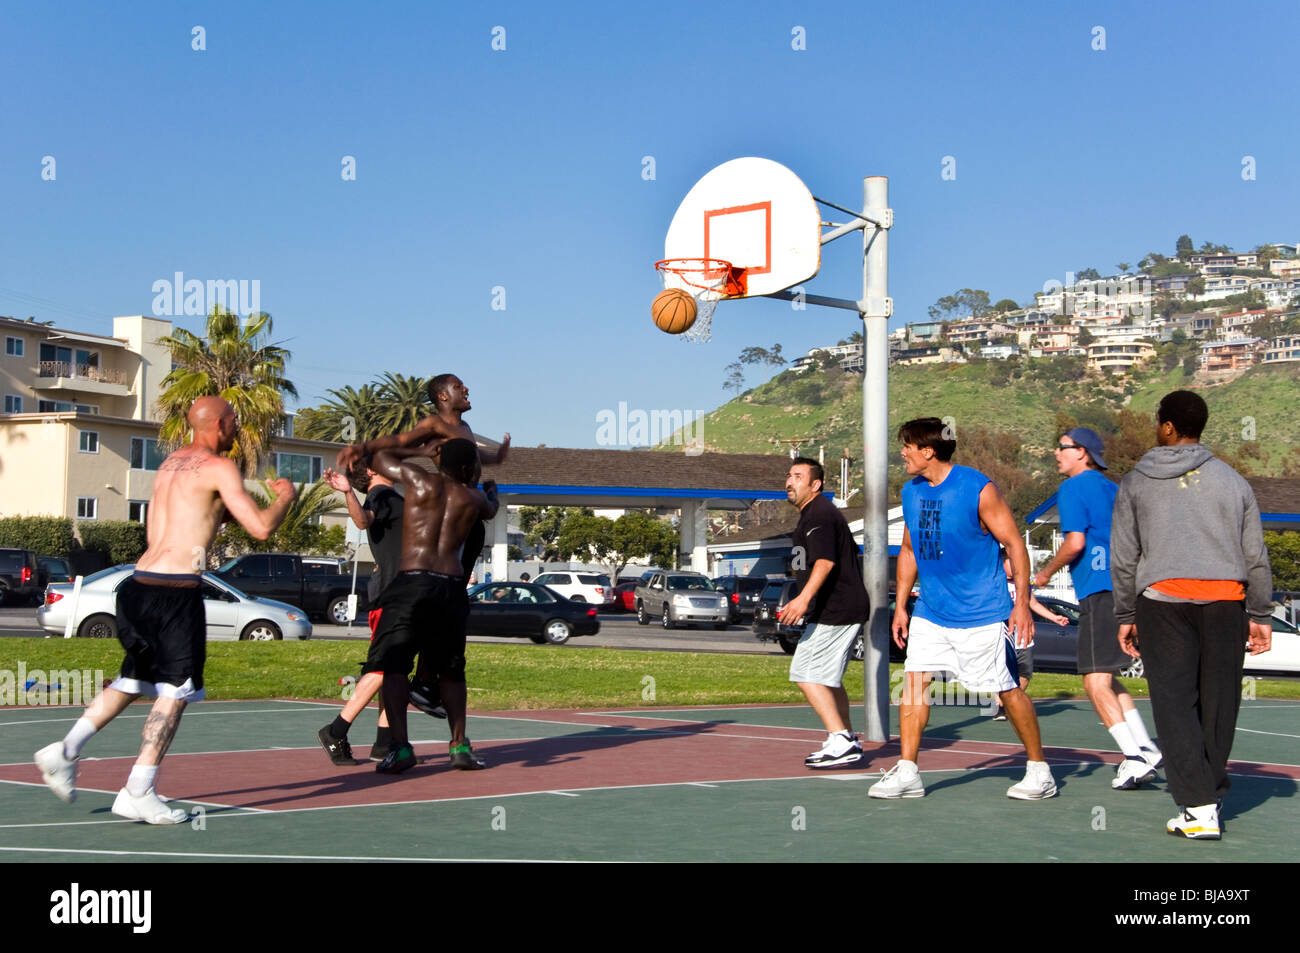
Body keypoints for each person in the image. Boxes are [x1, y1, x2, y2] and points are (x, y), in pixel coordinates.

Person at [34, 397, 295, 823]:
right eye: (234, 420)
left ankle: (65, 750)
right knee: (176, 691)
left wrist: (222, 511)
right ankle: (140, 788)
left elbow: (195, 514)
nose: (237, 427)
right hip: (176, 591)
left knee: (132, 680)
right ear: (219, 424)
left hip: (137, 586)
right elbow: (262, 527)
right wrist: (285, 496)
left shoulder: (171, 463)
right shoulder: (219, 467)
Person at [1111, 391, 1273, 839]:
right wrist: (1260, 611)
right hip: (1226, 603)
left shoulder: (1136, 481)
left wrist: (1125, 611)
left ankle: (1200, 805)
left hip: (1161, 603)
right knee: (1219, 703)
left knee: (1174, 704)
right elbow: (1254, 555)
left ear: (1166, 426)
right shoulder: (1233, 481)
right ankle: (1208, 796)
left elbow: (1125, 556)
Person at [874, 418, 1056, 800]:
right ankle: (908, 771)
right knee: (913, 683)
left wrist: (1021, 605)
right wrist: (902, 605)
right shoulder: (911, 492)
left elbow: (1015, 546)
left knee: (1006, 691)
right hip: (931, 611)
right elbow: (908, 550)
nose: (902, 452)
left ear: (928, 451)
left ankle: (1039, 771)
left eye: (907, 446)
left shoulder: (978, 488)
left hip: (982, 613)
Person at [1032, 427, 1163, 788]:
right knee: (1108, 676)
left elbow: (1074, 542)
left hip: (1100, 591)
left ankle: (1135, 757)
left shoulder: (1073, 487)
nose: (1056, 453)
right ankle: (1147, 748)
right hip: (1126, 590)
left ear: (1083, 453)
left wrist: (1045, 573)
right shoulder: (1113, 489)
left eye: (1062, 447)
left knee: (1093, 681)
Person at [362, 438, 499, 774]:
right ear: (468, 469)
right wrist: (490, 488)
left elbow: (378, 459)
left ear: (440, 464)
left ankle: (400, 747)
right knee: (452, 671)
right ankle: (459, 745)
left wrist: (418, 452)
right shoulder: (475, 498)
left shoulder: (420, 481)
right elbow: (492, 507)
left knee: (394, 666)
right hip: (450, 588)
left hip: (412, 583)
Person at [317, 461, 445, 767]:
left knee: (395, 669)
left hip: (400, 591)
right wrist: (349, 493)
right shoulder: (382, 496)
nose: (395, 463)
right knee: (385, 666)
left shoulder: (391, 496)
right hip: (394, 594)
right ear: (372, 471)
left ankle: (385, 741)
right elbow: (363, 521)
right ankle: (336, 730)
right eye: (386, 459)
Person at [777, 457, 869, 769]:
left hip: (837, 608)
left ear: (815, 485)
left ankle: (840, 739)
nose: (790, 482)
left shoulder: (819, 514)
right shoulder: (814, 516)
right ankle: (847, 737)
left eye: (798, 476)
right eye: (789, 476)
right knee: (827, 679)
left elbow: (826, 562)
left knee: (804, 672)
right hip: (837, 607)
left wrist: (803, 599)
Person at [335, 373, 509, 473]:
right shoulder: (435, 423)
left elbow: (475, 455)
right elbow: (400, 440)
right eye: (458, 387)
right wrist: (363, 448)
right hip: (450, 502)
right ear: (443, 396)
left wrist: (498, 456)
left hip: (471, 502)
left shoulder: (464, 427)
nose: (465, 389)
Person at [988, 550, 1069, 721]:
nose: (1016, 566)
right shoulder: (994, 582)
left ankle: (1008, 702)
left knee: (1025, 674)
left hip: (1023, 636)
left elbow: (1033, 603)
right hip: (1002, 634)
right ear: (1002, 563)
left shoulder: (1022, 583)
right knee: (1000, 673)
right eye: (1011, 562)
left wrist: (1055, 617)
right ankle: (1001, 706)